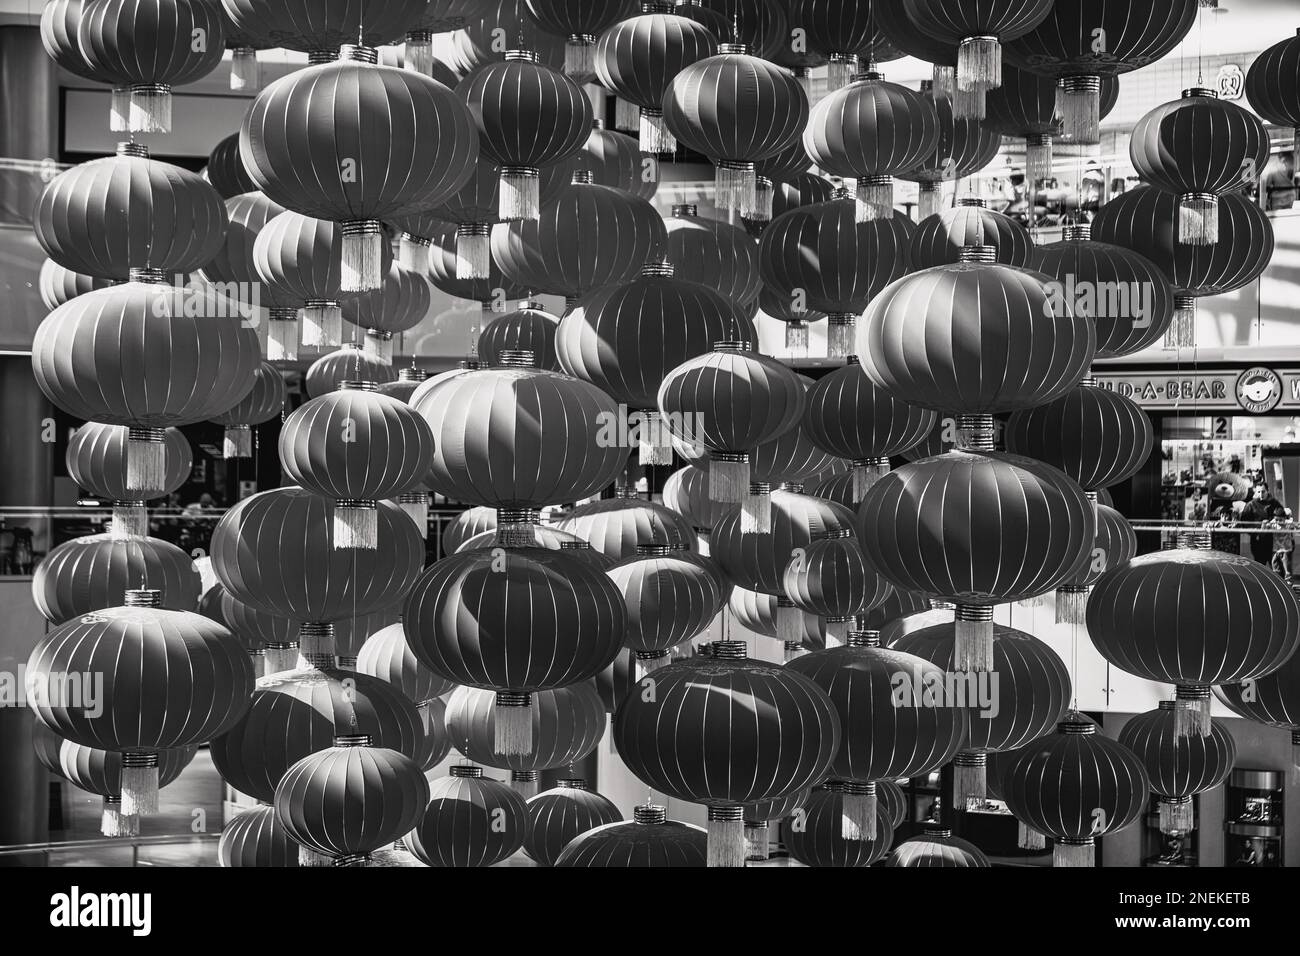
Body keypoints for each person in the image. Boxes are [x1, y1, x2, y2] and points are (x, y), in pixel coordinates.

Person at [1240, 487, 1278, 564]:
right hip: (1257, 539)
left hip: (1271, 539)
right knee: (1260, 561)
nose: (1261, 494)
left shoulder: (1273, 504)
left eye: (1263, 491)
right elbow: (1244, 522)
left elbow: (1280, 516)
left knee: (1274, 563)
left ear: (1267, 491)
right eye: (1258, 492)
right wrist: (1256, 530)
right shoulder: (1250, 505)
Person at [1268, 506, 1295, 580]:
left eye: (1281, 520)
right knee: (1275, 567)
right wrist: (1265, 525)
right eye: (1277, 520)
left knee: (1287, 570)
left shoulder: (1289, 523)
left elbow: (1294, 525)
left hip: (1286, 549)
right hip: (1276, 549)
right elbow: (1266, 527)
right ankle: (1278, 582)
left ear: (1285, 518)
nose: (1278, 522)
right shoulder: (1274, 523)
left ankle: (1289, 582)